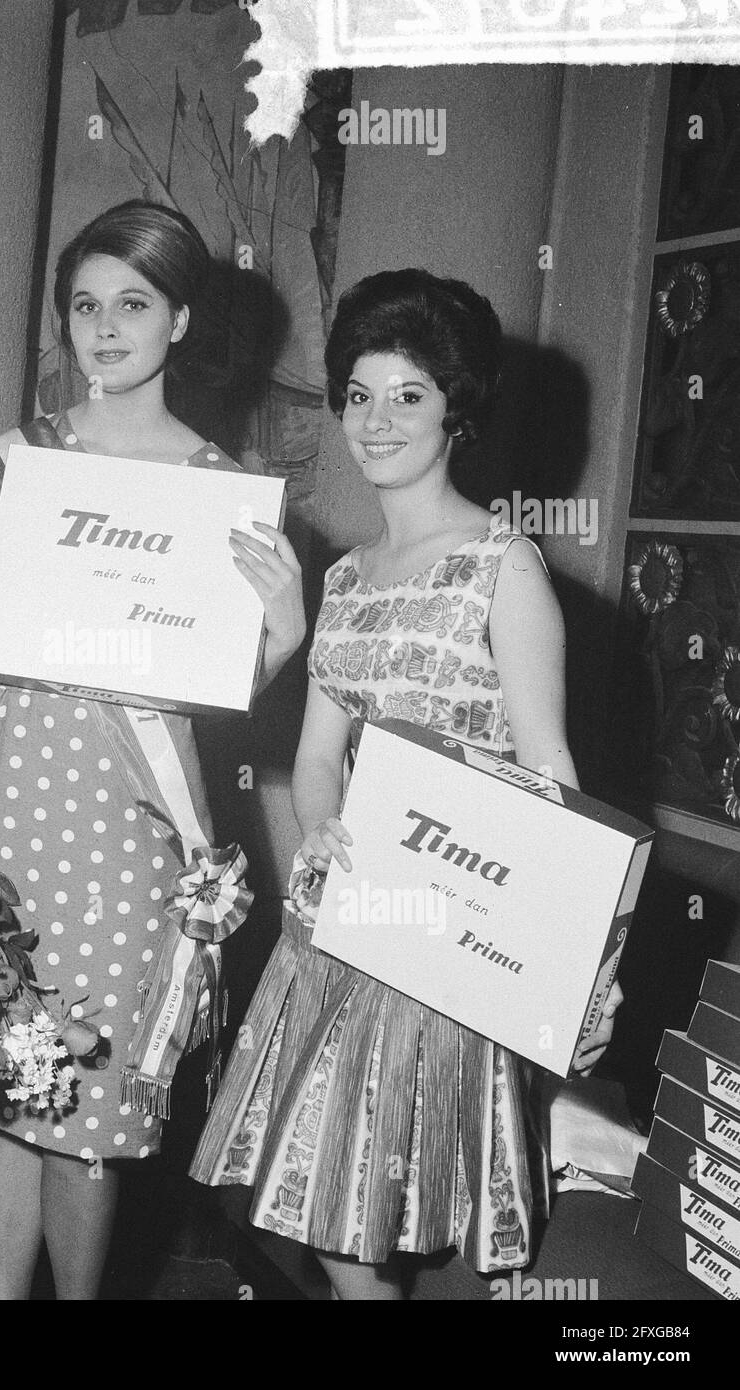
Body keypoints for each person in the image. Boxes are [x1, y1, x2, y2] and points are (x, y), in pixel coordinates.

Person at [0, 200, 305, 1299]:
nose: (105, 329)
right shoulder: (10, 464)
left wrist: (281, 639)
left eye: (133, 304)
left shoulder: (224, 491)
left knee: (91, 1105)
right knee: (8, 1092)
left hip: (130, 829)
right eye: (85, 305)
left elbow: (206, 698)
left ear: (179, 321)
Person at [189, 268, 622, 1299]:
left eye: (408, 395)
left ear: (455, 411)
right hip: (342, 931)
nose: (376, 421)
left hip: (447, 940)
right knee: (335, 1220)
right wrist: (324, 842)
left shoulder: (500, 566)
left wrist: (577, 963)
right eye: (358, 395)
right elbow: (315, 757)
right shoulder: (343, 577)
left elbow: (551, 773)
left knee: (361, 1231)